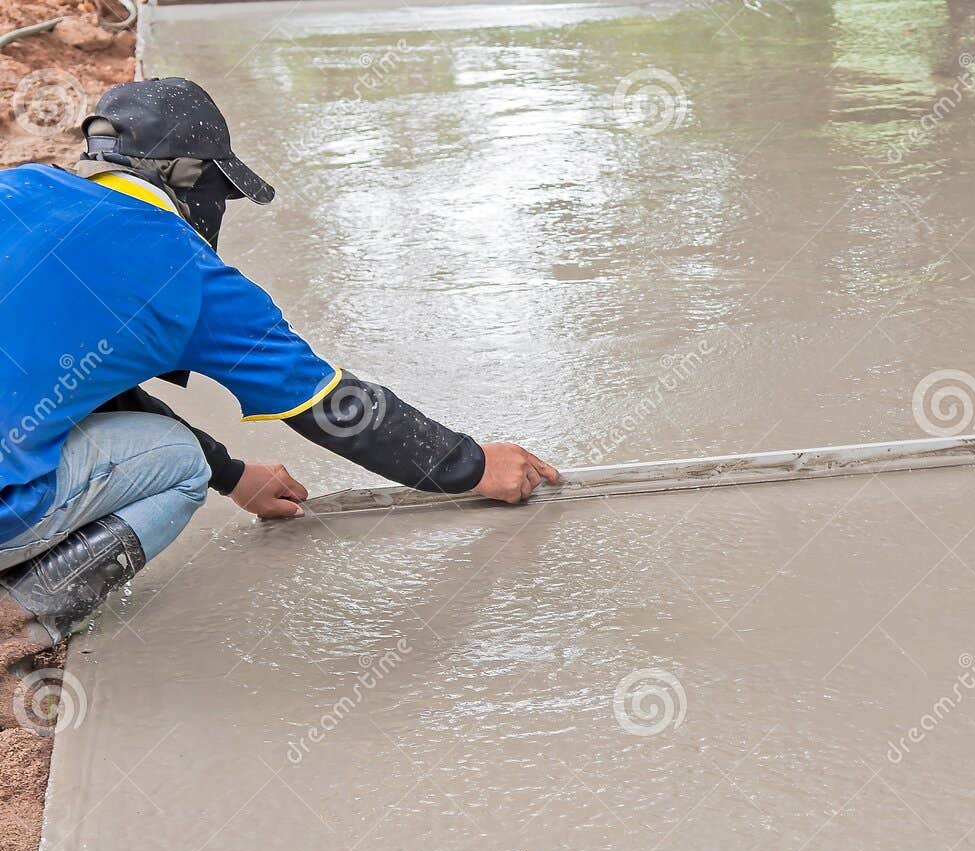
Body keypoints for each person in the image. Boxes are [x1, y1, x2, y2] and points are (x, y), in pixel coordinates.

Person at [0, 77, 558, 685]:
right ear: (189, 179)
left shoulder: (18, 187)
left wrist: (237, 477)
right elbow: (329, 404)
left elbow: (88, 390)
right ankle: (18, 619)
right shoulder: (186, 274)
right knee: (180, 464)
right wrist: (471, 465)